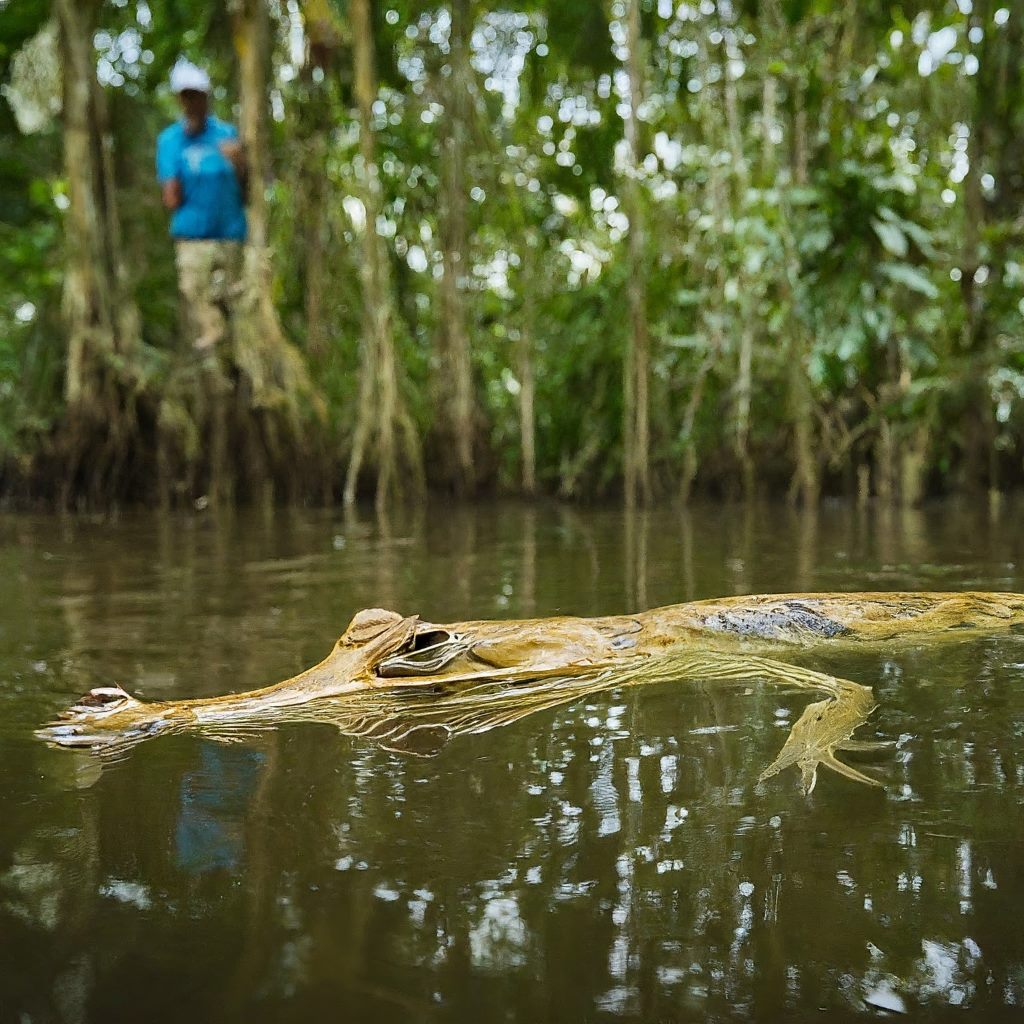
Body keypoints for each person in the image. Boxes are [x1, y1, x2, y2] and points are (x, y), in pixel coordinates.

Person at [156, 60, 248, 353]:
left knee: (233, 295)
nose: (191, 102)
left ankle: (237, 347)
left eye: (196, 95)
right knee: (196, 291)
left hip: (230, 233)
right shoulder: (170, 141)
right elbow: (170, 196)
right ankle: (212, 336)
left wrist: (239, 163)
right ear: (179, 100)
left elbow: (249, 188)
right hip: (193, 235)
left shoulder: (227, 134)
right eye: (185, 96)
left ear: (206, 97)